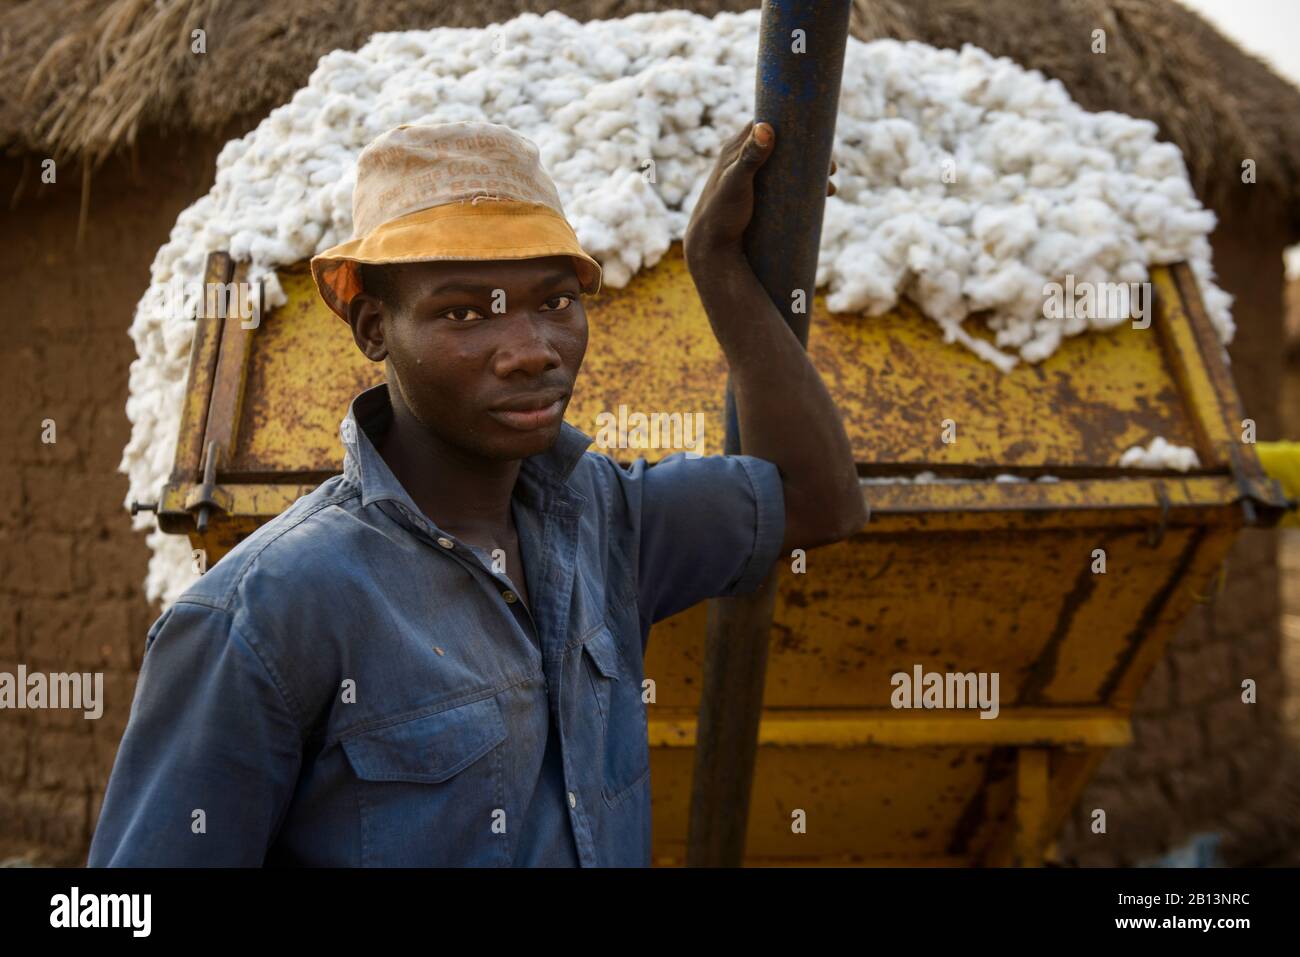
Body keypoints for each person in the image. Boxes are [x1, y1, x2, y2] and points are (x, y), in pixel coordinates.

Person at [87, 119, 864, 866]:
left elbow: (818, 499)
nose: (530, 351)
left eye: (555, 300)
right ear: (372, 327)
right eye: (463, 311)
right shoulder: (265, 615)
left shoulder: (603, 519)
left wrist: (719, 269)